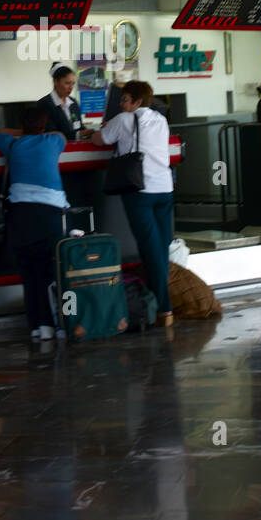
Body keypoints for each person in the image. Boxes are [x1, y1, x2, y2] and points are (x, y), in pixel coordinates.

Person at [92, 80, 174, 327]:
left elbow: (99, 140)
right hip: (165, 189)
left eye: (125, 99)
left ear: (138, 102)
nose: (121, 103)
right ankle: (159, 303)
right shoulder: (161, 120)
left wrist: (107, 127)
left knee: (151, 249)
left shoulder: (124, 119)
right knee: (161, 247)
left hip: (140, 191)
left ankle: (165, 309)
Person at [0, 105, 69, 341]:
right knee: (50, 271)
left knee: (29, 273)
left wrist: (22, 131)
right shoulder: (53, 141)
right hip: (50, 214)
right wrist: (35, 129)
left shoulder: (12, 144)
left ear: (22, 125)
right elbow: (64, 135)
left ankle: (37, 326)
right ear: (44, 125)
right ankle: (58, 325)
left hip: (21, 214)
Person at [39, 65, 90, 141]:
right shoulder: (44, 104)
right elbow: (51, 133)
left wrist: (88, 133)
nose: (71, 87)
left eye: (73, 83)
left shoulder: (73, 103)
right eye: (67, 83)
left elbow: (79, 126)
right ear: (55, 82)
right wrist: (78, 135)